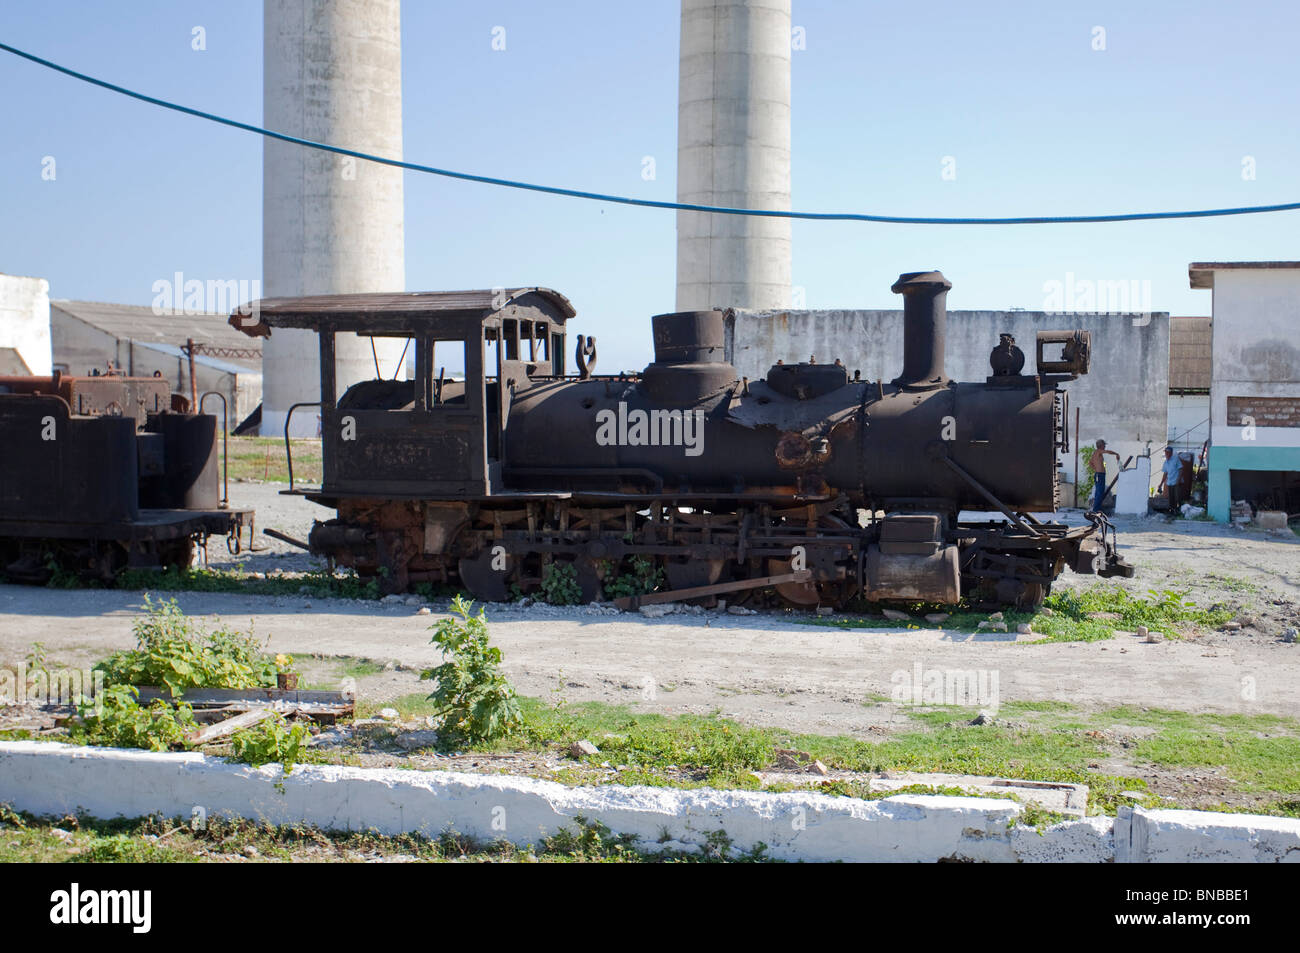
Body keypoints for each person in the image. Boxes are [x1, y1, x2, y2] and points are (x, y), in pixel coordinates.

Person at [1088, 439, 1120, 512]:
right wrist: (1116, 454)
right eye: (1104, 445)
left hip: (1098, 475)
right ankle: (1095, 510)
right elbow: (1108, 452)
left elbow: (1090, 463)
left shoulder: (1095, 453)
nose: (1105, 446)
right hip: (1100, 475)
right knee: (1099, 493)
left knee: (1098, 493)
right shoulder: (1099, 451)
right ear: (1101, 445)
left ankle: (1096, 509)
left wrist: (1096, 469)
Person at [1157, 446, 1182, 511]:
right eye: (1165, 452)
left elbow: (1181, 469)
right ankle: (1172, 510)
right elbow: (1165, 474)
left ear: (1171, 453)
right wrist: (1161, 484)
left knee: (1177, 497)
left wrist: (1178, 480)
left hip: (1176, 482)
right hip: (1170, 482)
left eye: (1167, 452)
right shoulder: (1165, 462)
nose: (1166, 454)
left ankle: (1178, 510)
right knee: (1171, 498)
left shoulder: (1176, 459)